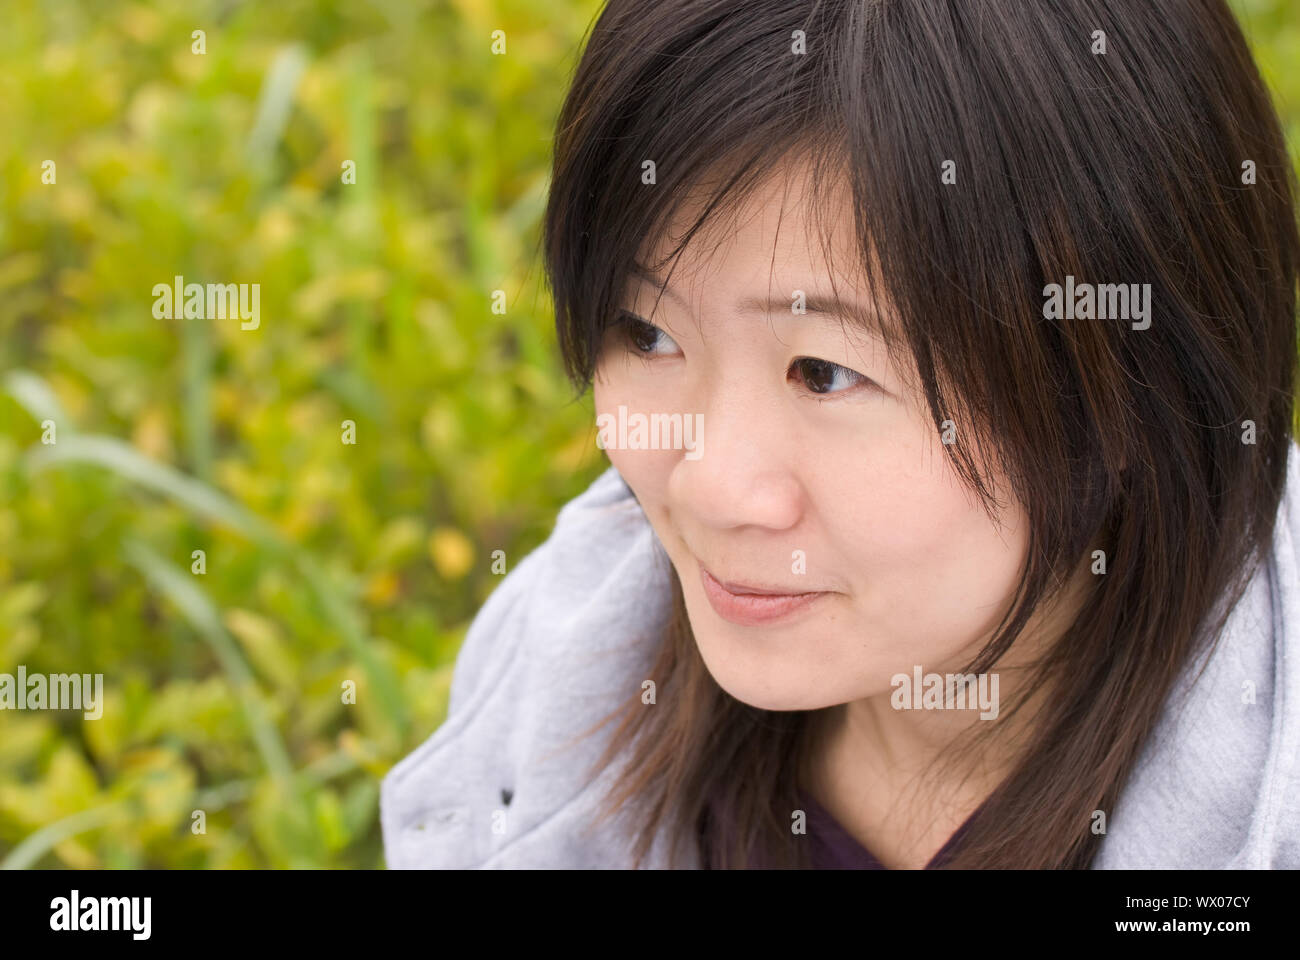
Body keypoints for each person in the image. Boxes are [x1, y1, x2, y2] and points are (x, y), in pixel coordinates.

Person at [382, 0, 1300, 869]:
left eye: (826, 372)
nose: (707, 487)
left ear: (1128, 383)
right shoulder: (552, 676)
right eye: (649, 334)